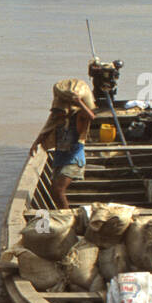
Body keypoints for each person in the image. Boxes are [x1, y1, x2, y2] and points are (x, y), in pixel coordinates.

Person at [30, 78, 96, 209]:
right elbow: (46, 130)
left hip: (74, 159)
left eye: (59, 111)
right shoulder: (56, 119)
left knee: (58, 190)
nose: (56, 113)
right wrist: (35, 144)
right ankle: (64, 213)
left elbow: (91, 116)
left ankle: (67, 216)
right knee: (54, 191)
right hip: (60, 158)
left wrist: (79, 102)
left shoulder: (78, 117)